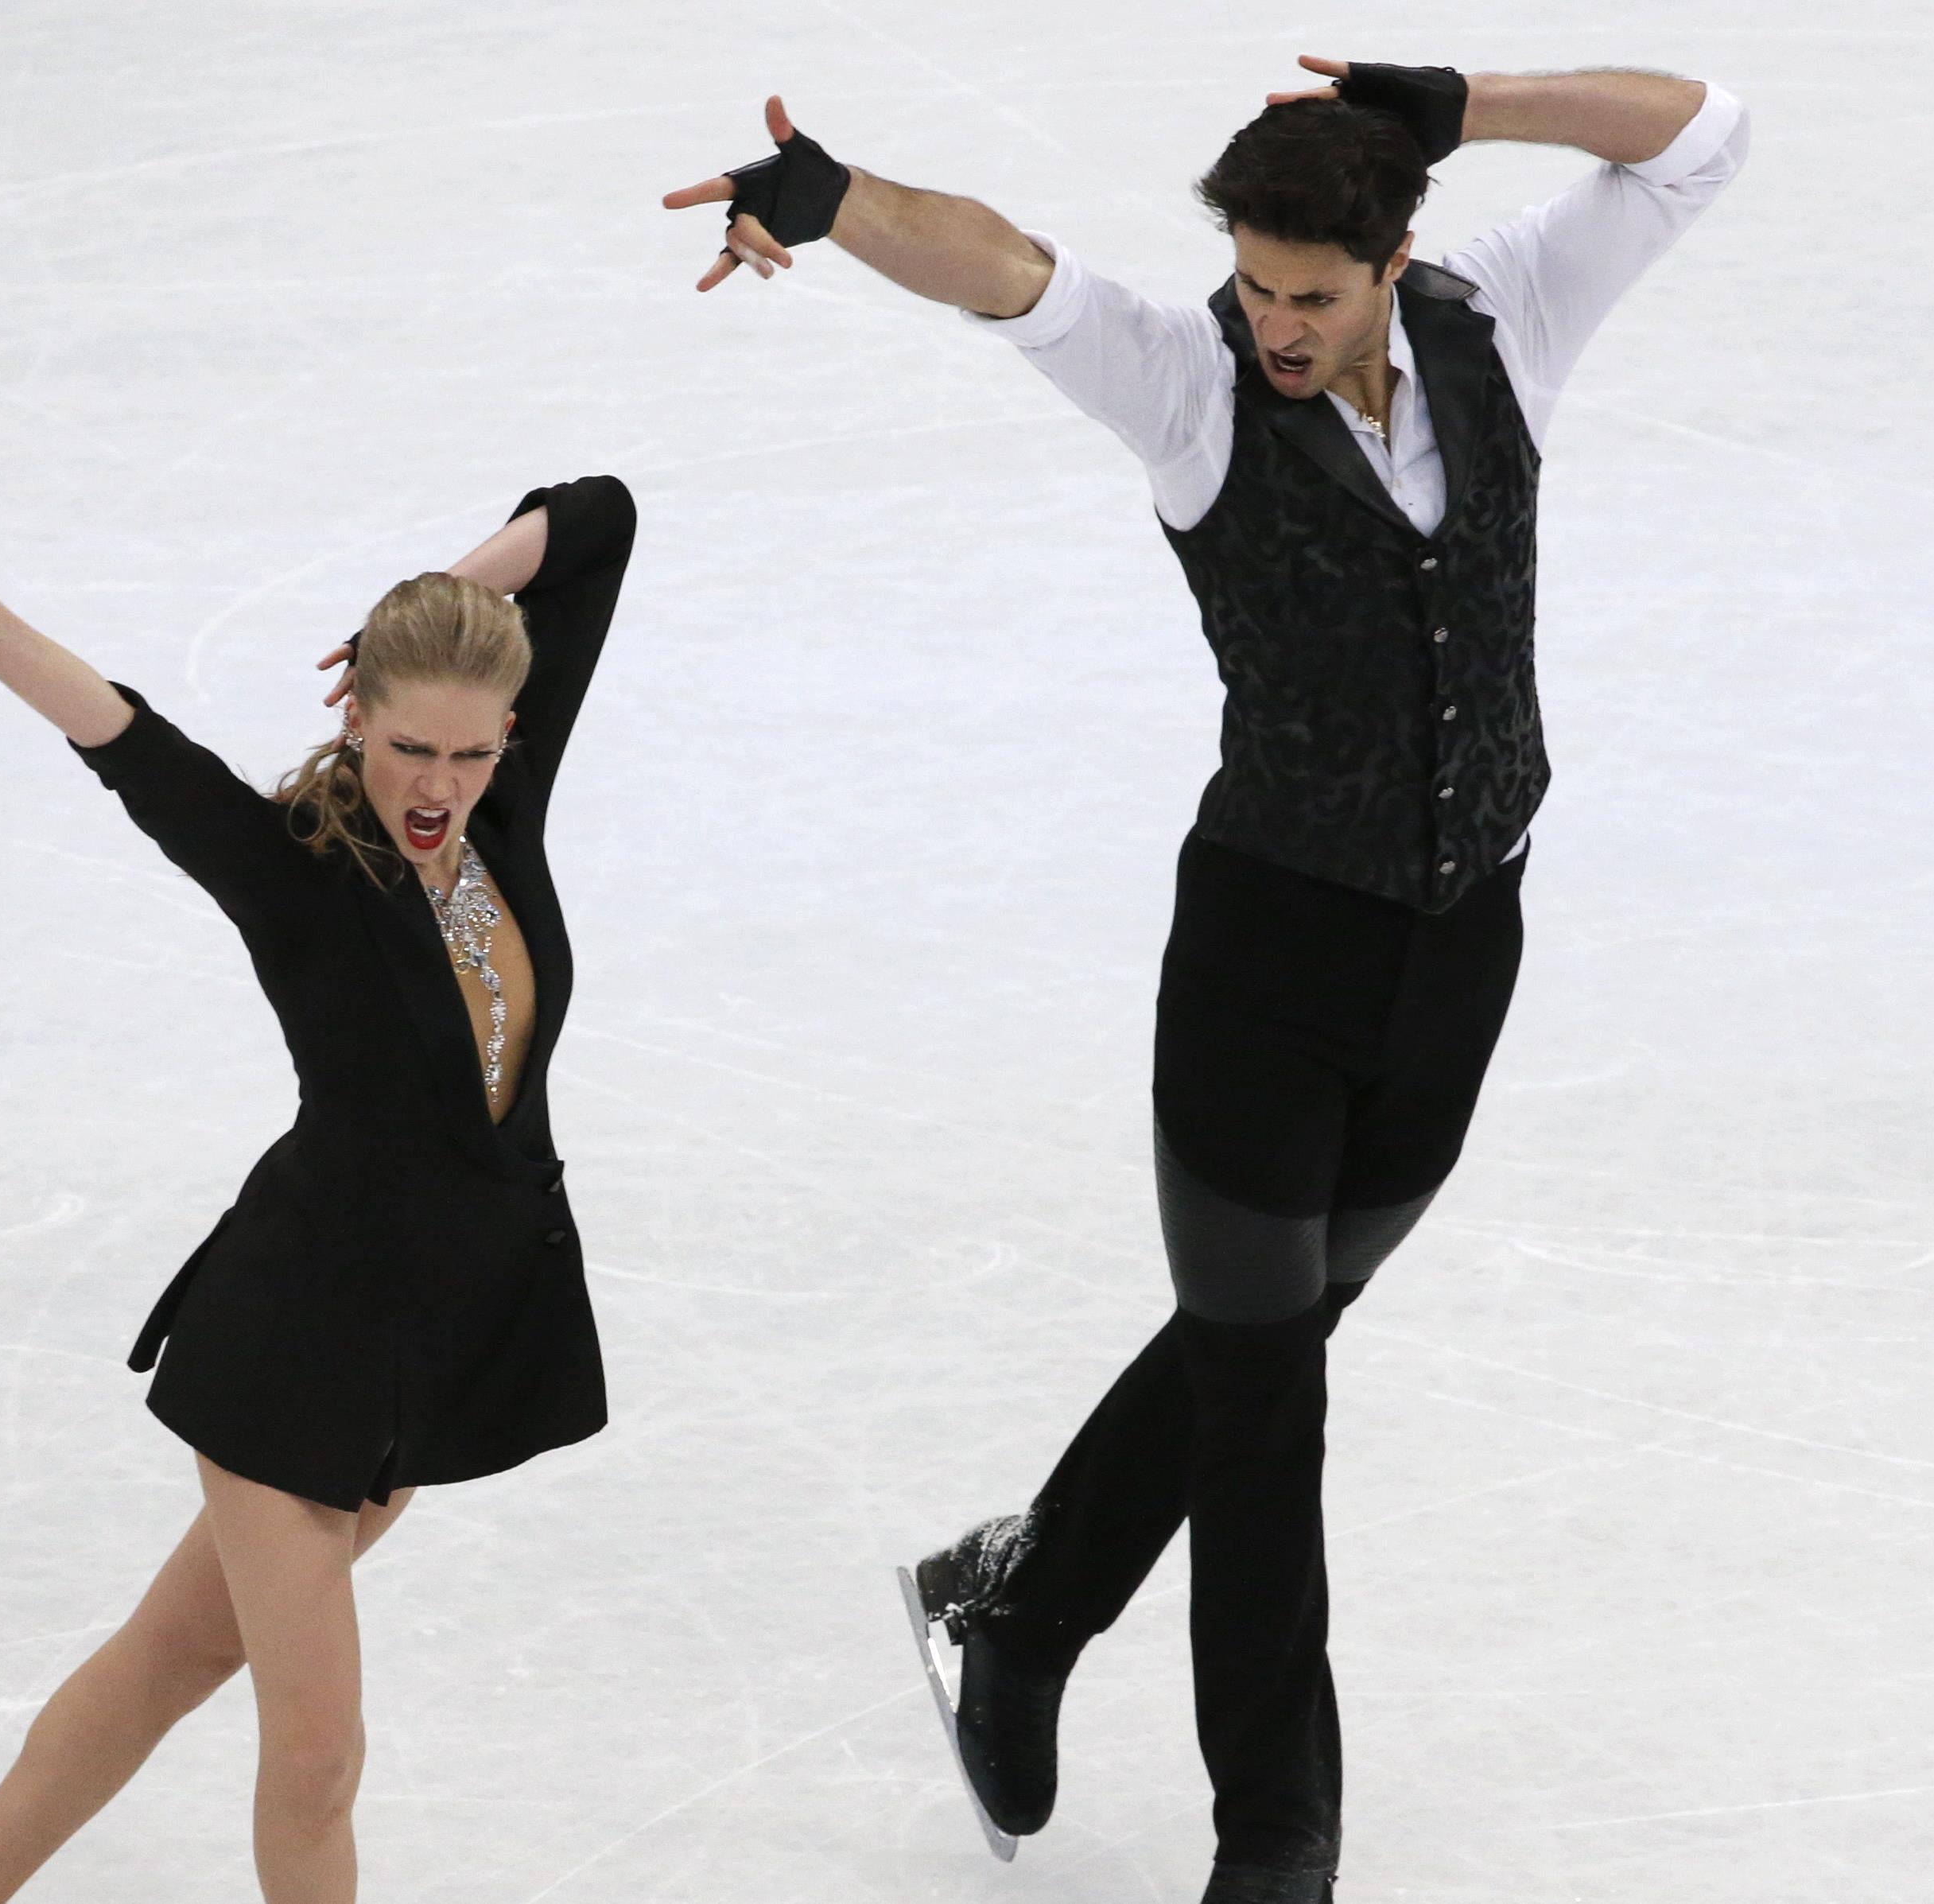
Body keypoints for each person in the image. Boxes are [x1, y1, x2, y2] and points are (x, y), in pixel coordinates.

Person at [668, 56, 1746, 1902]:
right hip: (1263, 962)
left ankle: (1017, 1604)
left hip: (1457, 958)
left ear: (1395, 259)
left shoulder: (1504, 324)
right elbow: (1009, 269)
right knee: (1265, 1420)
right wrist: (840, 204)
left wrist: (1464, 98)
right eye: (1253, 286)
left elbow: (1702, 132)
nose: (1272, 325)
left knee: (1280, 1335)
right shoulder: (1194, 396)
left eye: (1310, 295)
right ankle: (1278, 1847)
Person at [0, 472, 638, 1904]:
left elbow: (601, 518)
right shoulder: (297, 876)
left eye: (468, 751)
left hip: (437, 1341)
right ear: (353, 717)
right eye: (404, 745)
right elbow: (125, 738)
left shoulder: (499, 810)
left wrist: (431, 602)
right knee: (319, 1755)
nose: (437, 786)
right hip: (301, 1344)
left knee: (175, 1653)